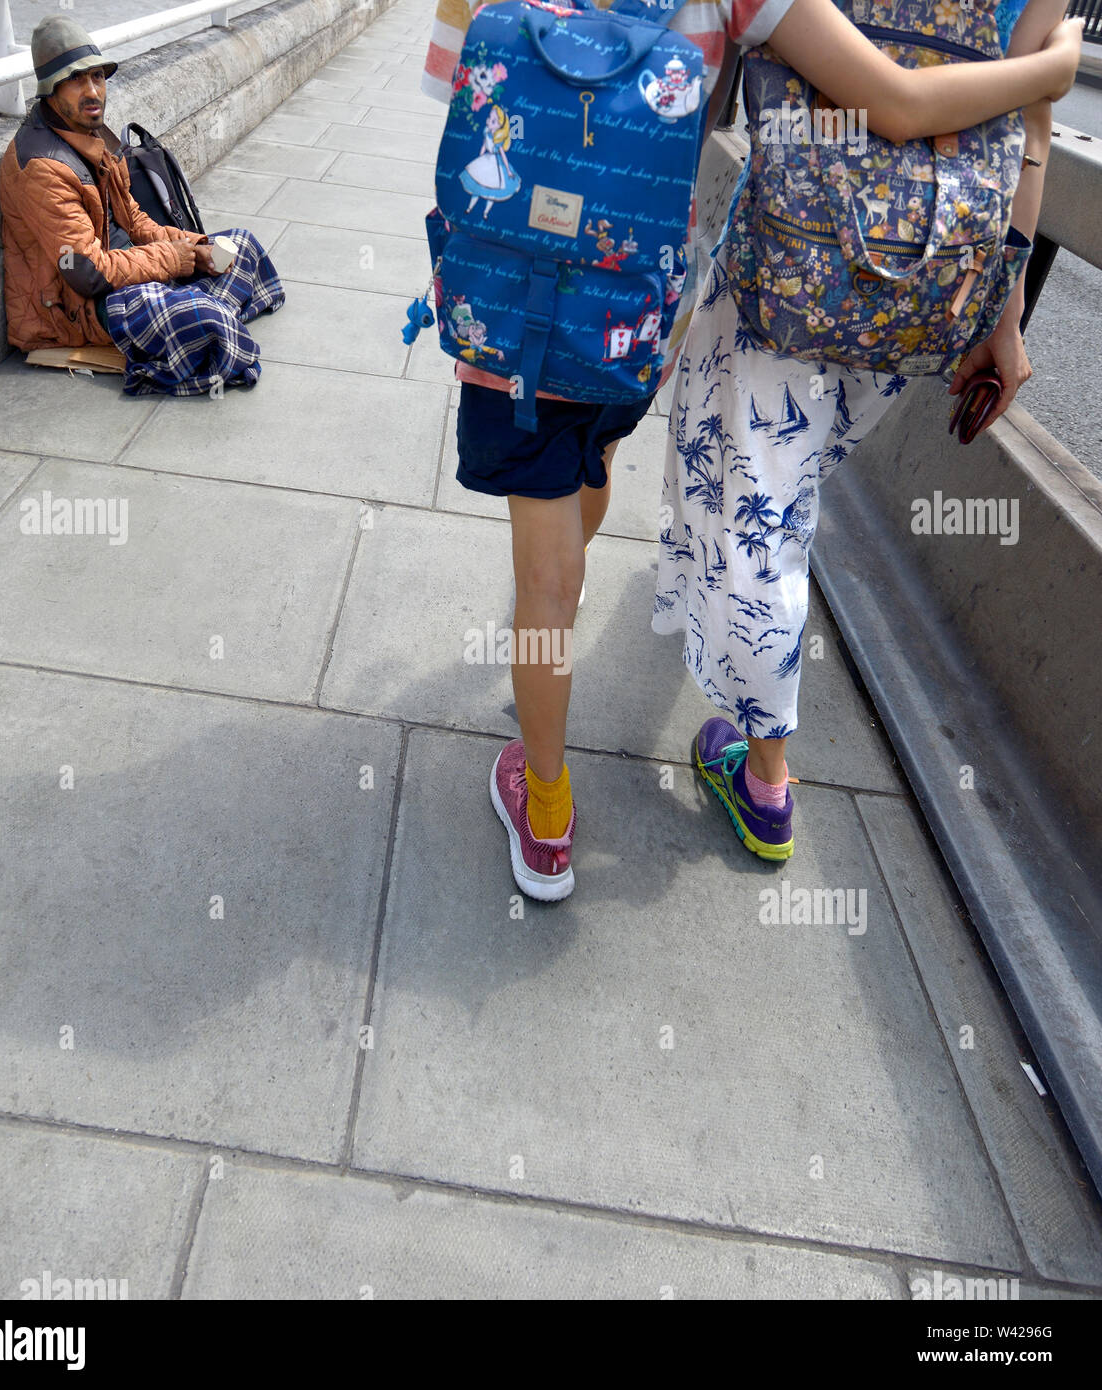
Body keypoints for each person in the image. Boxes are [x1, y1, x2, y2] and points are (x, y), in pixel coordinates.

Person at [422, 0, 1082, 897]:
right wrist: (1046, 82)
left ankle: (547, 815)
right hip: (648, 319)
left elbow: (452, 99)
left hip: (519, 309)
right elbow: (934, 112)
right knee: (651, 471)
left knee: (560, 579)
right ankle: (717, 744)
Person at [653, 0, 1081, 862]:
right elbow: (1030, 138)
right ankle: (733, 649)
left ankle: (765, 778)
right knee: (785, 489)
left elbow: (888, 100)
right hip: (924, 287)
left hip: (792, 260)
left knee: (762, 507)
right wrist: (1004, 310)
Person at [0, 16, 284, 396]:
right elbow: (87, 272)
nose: (93, 92)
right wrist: (175, 260)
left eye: (97, 78)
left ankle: (186, 320)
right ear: (51, 91)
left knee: (241, 246)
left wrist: (194, 245)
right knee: (203, 315)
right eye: (77, 81)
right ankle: (198, 315)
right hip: (79, 308)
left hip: (129, 269)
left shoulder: (92, 131)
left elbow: (133, 219)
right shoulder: (42, 169)